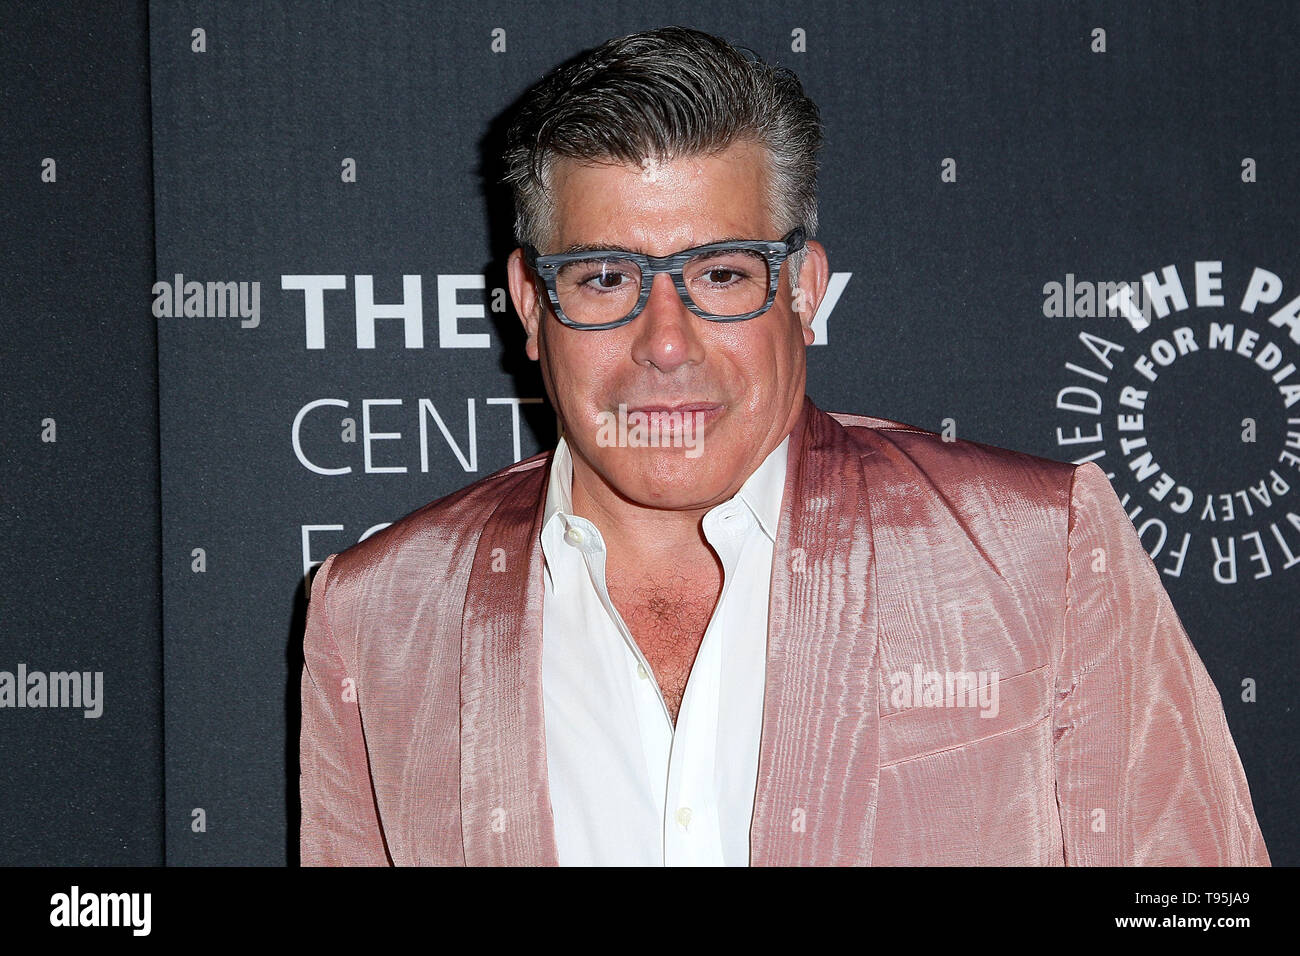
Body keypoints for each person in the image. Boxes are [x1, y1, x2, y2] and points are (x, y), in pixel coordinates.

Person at [299, 26, 1269, 866]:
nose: (665, 344)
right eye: (602, 278)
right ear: (529, 304)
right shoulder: (378, 612)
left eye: (720, 274)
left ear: (803, 289)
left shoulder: (1037, 551)